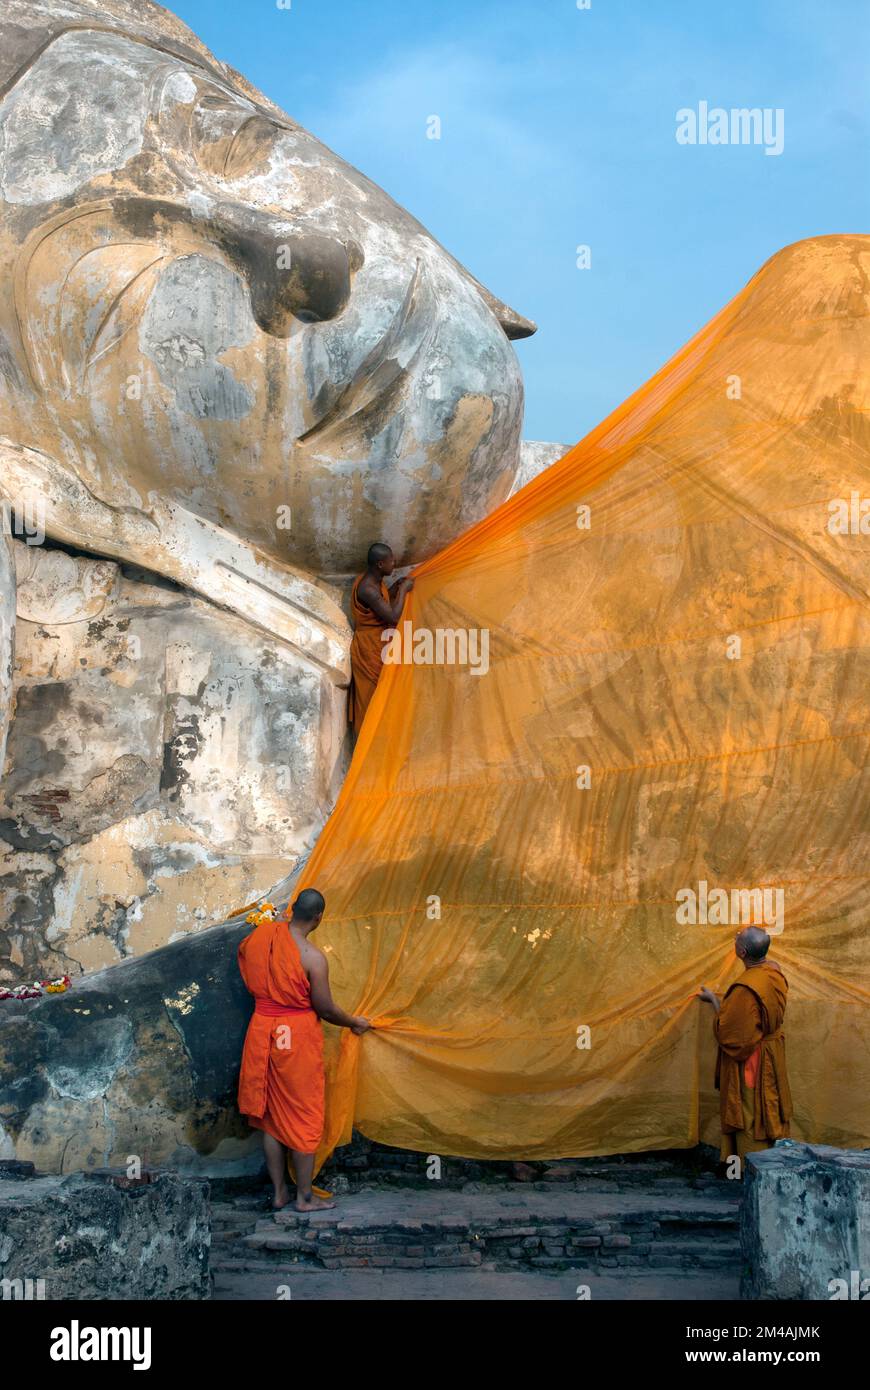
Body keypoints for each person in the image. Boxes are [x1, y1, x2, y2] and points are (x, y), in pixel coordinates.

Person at [237, 888, 370, 1211]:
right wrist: (355, 1021)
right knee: (303, 1113)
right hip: (293, 1037)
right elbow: (324, 1008)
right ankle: (305, 1197)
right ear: (319, 917)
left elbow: (244, 960)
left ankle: (279, 1192)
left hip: (261, 1030)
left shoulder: (259, 937)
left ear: (292, 909)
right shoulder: (312, 958)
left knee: (270, 1118)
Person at [698, 926, 792, 1170]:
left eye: (736, 940)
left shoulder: (745, 988)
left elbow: (732, 1035)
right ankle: (773, 1166)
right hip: (772, 1052)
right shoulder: (774, 973)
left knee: (750, 1111)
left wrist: (715, 1002)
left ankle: (750, 1169)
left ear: (741, 952)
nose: (735, 942)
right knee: (770, 1105)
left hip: (753, 1057)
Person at [348, 543, 414, 734]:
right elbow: (392, 616)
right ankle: (367, 747)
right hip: (369, 649)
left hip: (378, 643)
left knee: (385, 699)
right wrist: (404, 590)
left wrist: (395, 587)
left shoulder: (375, 581)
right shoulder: (367, 588)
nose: (394, 563)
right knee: (371, 702)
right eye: (390, 561)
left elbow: (382, 599)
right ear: (379, 564)